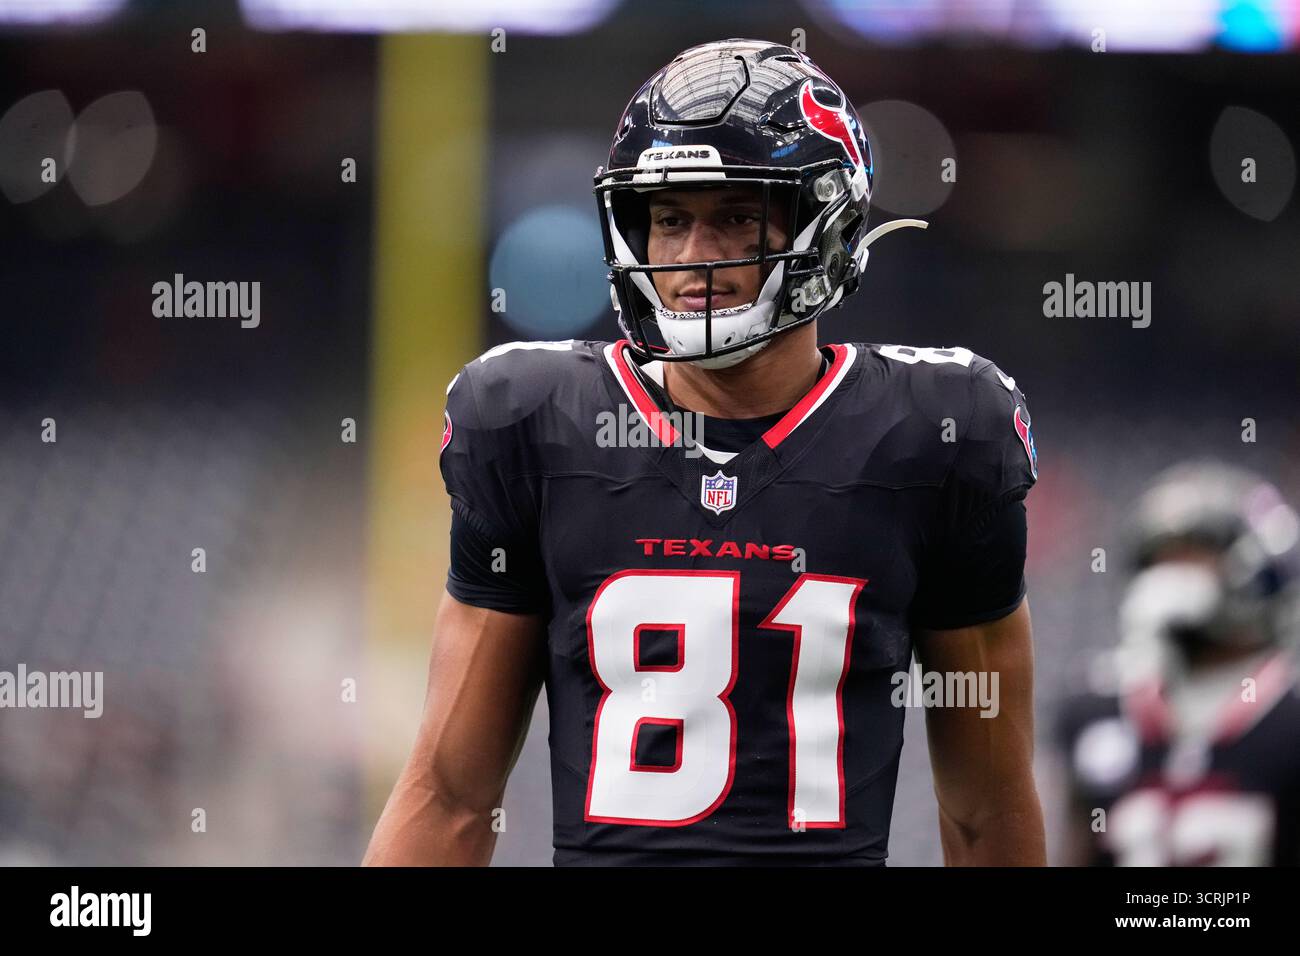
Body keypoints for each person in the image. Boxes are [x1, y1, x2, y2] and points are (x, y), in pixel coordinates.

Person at [365, 37, 1045, 866]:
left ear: (825, 223)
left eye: (734, 219)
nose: (693, 259)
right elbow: (450, 795)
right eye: (670, 219)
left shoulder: (942, 434)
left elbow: (988, 812)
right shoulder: (532, 423)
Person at [1057, 462, 1300, 865]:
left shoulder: (1287, 710)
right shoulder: (1096, 705)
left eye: (1192, 555)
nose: (1169, 577)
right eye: (1160, 559)